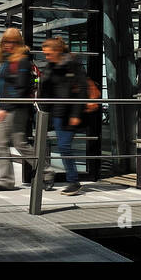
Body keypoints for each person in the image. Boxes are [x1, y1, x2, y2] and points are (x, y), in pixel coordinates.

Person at [0, 28, 35, 191]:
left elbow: (21, 88)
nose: (8, 45)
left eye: (12, 42)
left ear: (18, 43)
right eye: (5, 42)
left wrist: (4, 108)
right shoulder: (6, 60)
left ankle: (46, 171)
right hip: (3, 107)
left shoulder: (22, 61)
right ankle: (6, 181)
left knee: (19, 143)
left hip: (15, 109)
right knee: (1, 144)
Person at [38, 37, 86, 196]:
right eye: (45, 54)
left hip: (70, 113)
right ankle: (72, 181)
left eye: (49, 54)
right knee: (63, 146)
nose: (46, 57)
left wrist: (76, 114)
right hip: (57, 113)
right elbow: (46, 89)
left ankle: (74, 182)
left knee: (64, 146)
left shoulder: (73, 64)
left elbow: (82, 91)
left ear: (58, 51)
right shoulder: (51, 66)